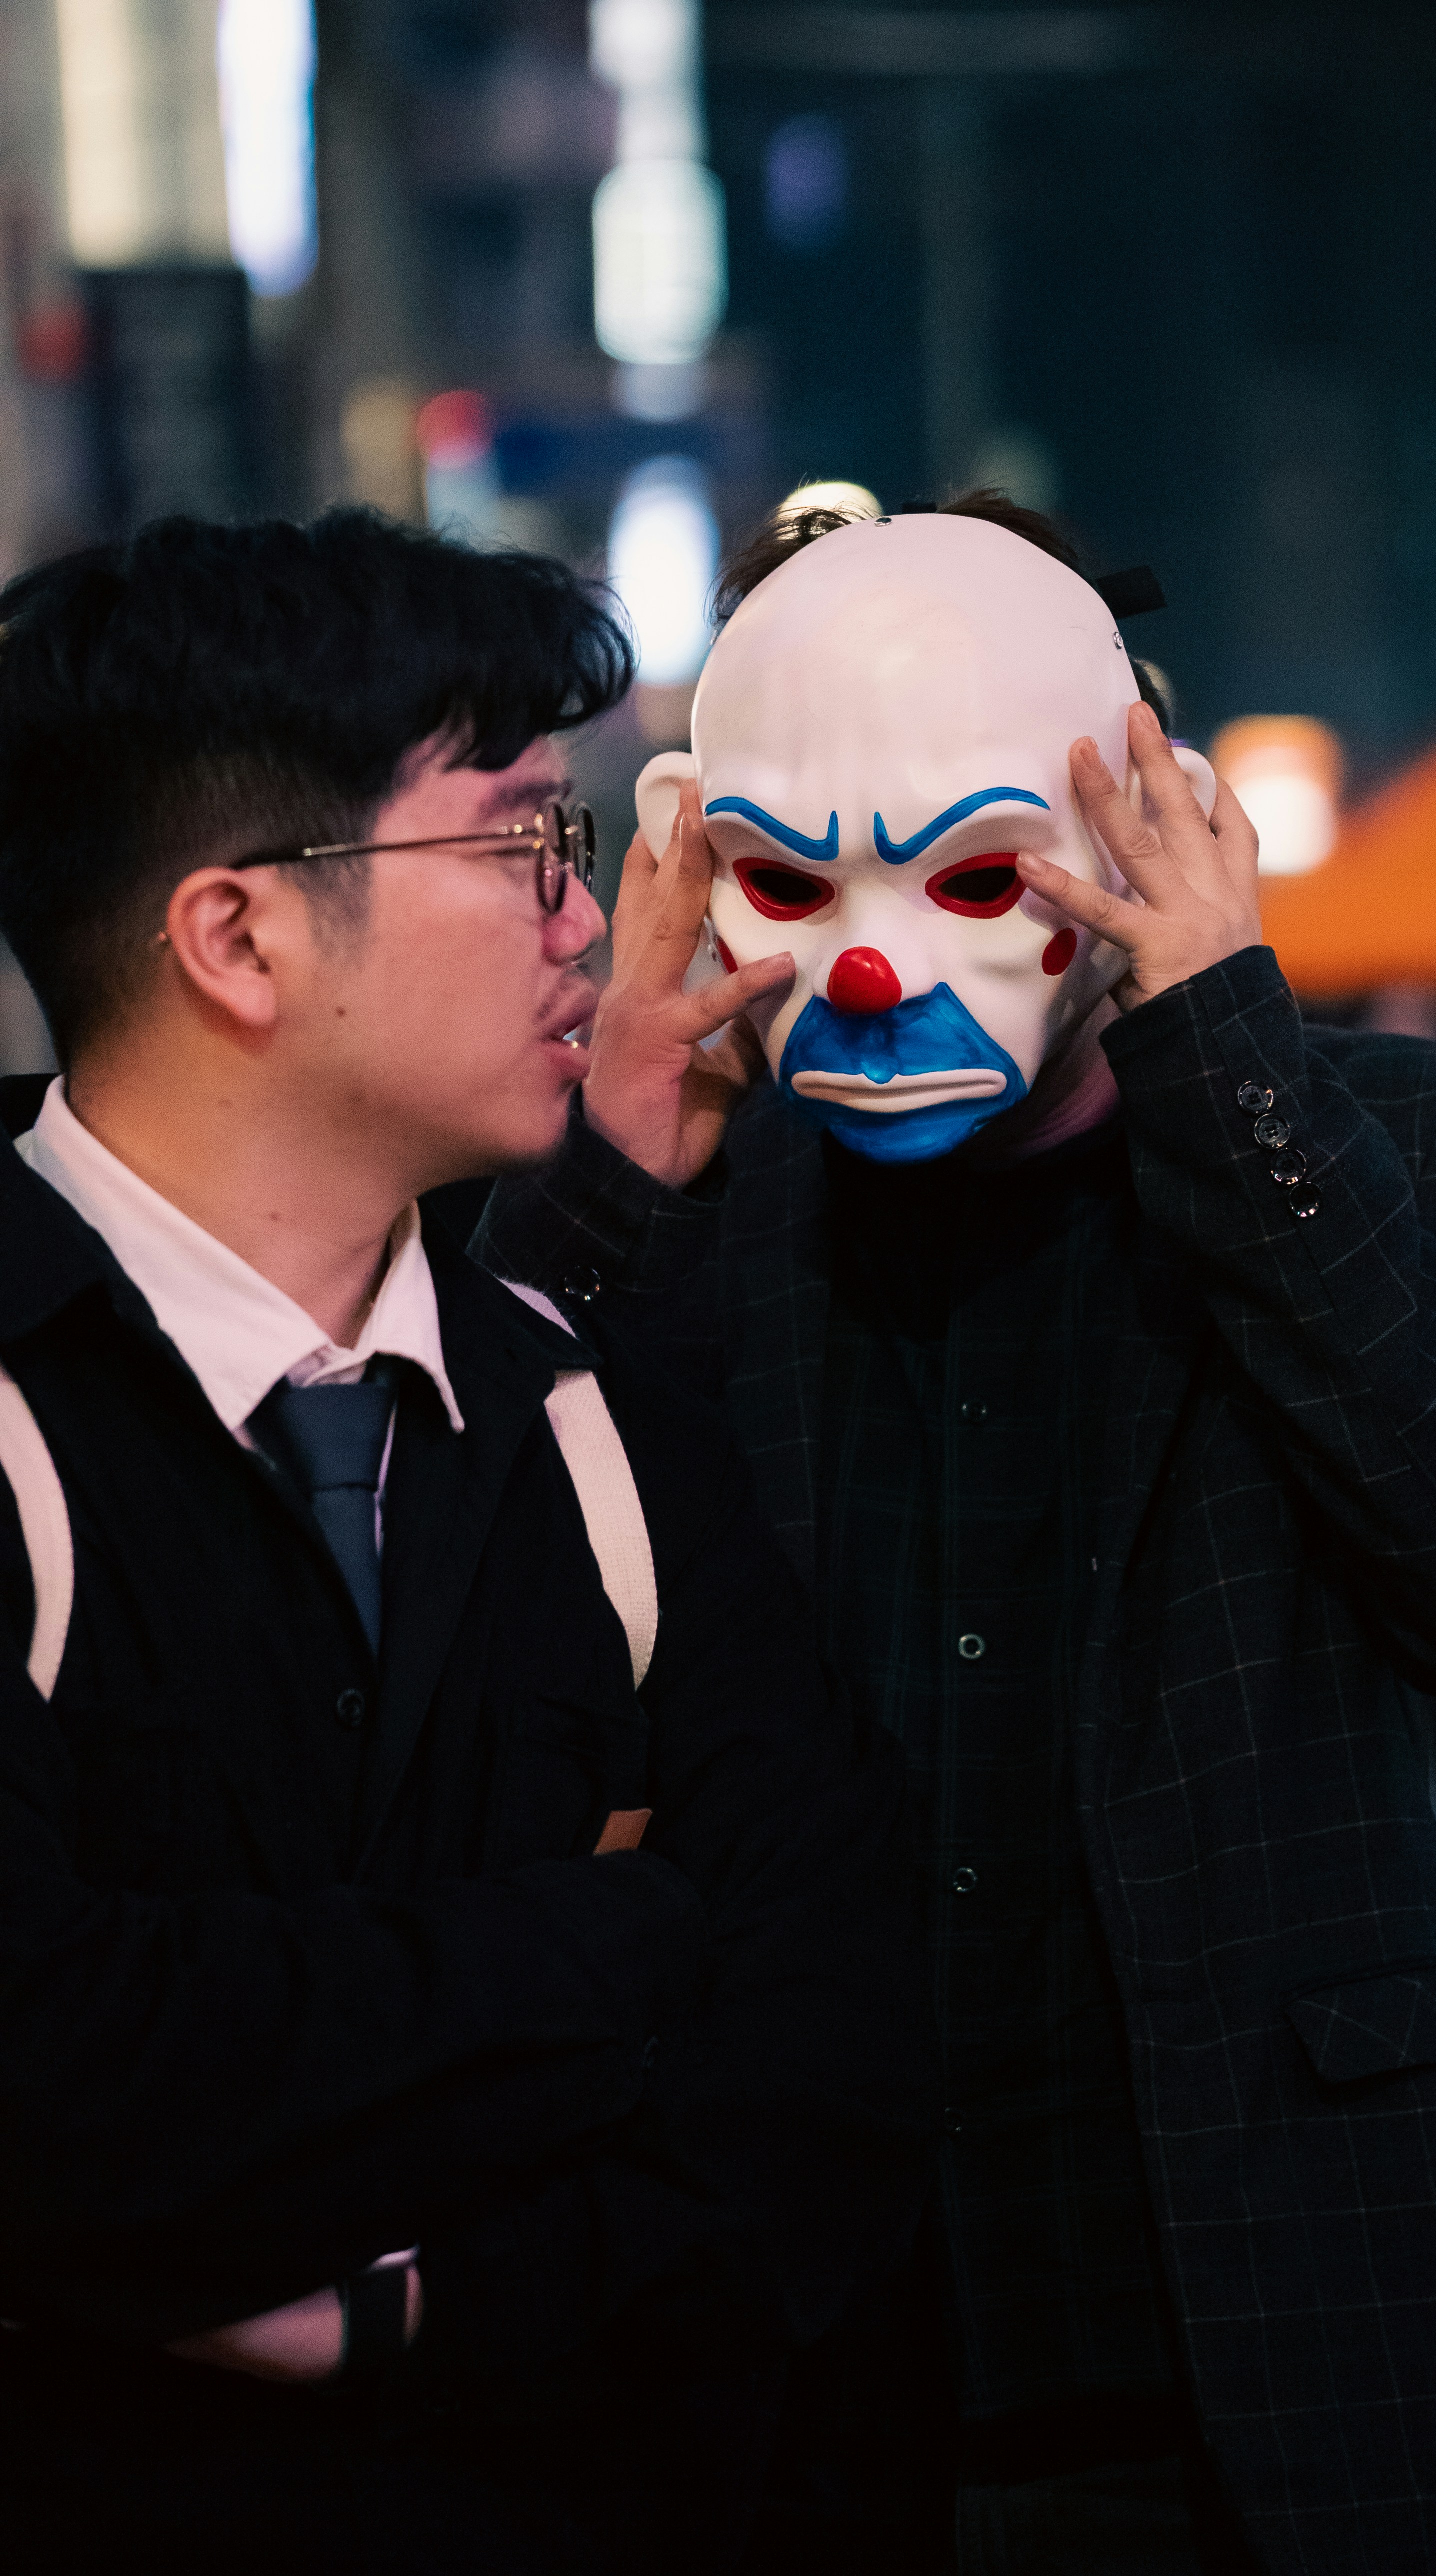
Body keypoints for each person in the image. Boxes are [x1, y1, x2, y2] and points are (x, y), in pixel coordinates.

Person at [480, 490, 1436, 2575]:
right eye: (786, 877)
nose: (870, 963)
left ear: (1148, 829)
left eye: (975, 875)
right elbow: (478, 1697)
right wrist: (616, 1191)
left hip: (1283, 2343)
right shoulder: (677, 1205)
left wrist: (1231, 1068)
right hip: (811, 2376)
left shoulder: (1387, 1145)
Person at [0, 511, 934, 2576]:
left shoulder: (599, 1425)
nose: (589, 923)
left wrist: (424, 2309)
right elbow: (44, 2080)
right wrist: (627, 1932)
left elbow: (834, 2055)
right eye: (523, 845)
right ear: (238, 938)